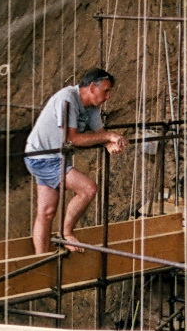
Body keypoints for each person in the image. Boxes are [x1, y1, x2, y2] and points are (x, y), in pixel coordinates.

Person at [24, 68, 127, 254]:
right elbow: (73, 139)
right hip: (43, 157)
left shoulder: (92, 106)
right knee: (88, 189)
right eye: (106, 91)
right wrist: (110, 136)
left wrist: (109, 142)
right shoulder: (67, 99)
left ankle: (41, 258)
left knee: (46, 212)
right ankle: (66, 233)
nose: (108, 96)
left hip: (52, 157)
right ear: (91, 88)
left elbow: (99, 134)